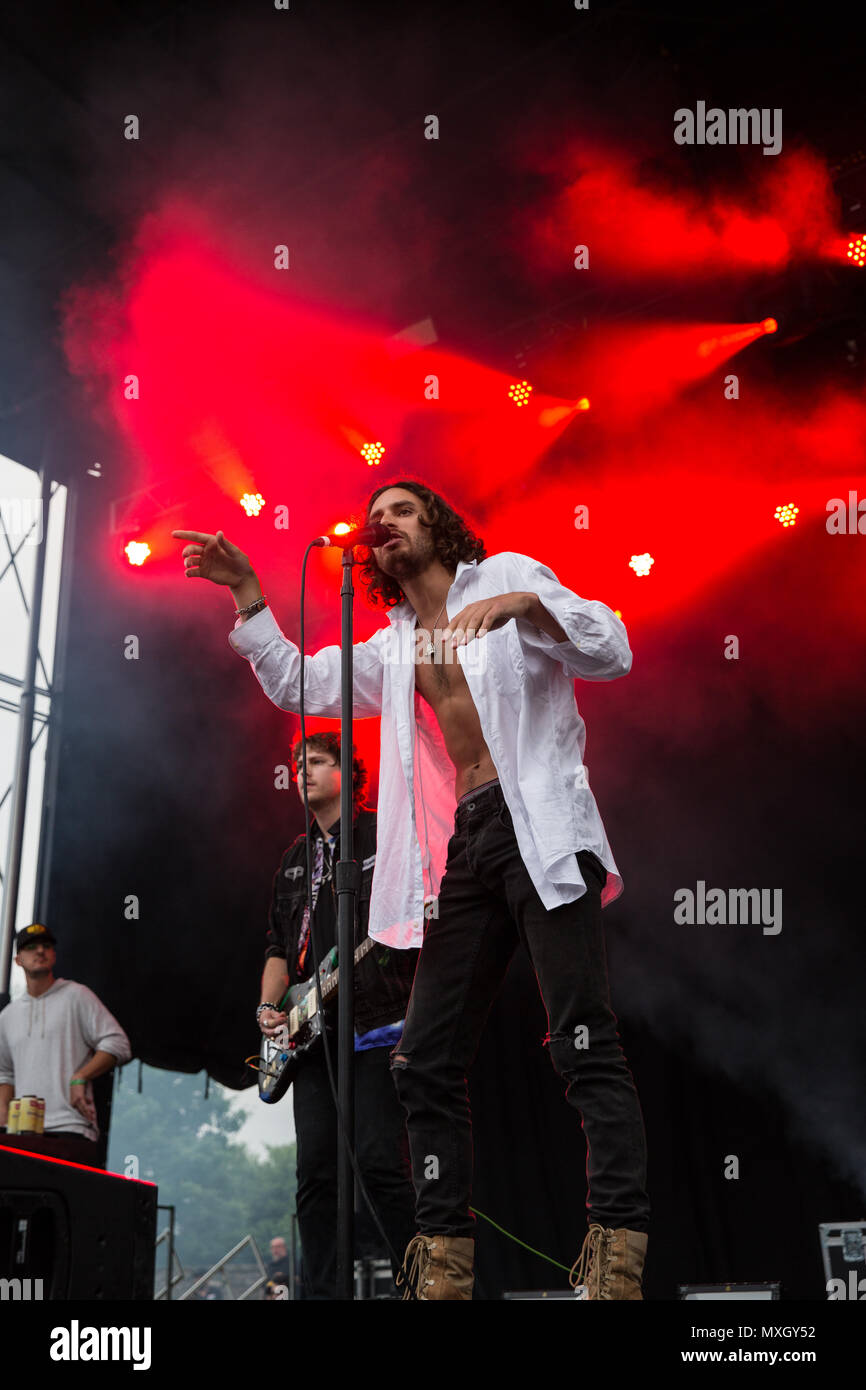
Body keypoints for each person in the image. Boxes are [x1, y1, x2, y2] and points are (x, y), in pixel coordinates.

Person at [173, 477, 649, 1301]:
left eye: (398, 509)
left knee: (581, 1040)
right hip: (467, 842)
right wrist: (248, 593)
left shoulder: (505, 576)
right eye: (373, 518)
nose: (381, 523)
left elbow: (612, 648)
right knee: (422, 1059)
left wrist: (527, 610)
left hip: (541, 824)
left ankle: (615, 1259)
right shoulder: (392, 642)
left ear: (437, 521)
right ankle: (443, 1267)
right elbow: (299, 684)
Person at [256, 731, 418, 1299]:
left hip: (376, 1024)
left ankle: (419, 1284)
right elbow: (279, 946)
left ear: (351, 775)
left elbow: (416, 912)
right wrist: (271, 1008)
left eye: (317, 762)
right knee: (315, 1178)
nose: (301, 771)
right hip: (313, 1041)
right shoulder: (294, 859)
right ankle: (321, 1294)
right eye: (298, 763)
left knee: (379, 1162)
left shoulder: (384, 832)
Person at [0, 923, 131, 1163]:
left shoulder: (76, 995)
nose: (40, 951)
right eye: (31, 947)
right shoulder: (8, 1016)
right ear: (18, 960)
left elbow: (118, 1042)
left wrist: (79, 1076)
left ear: (54, 955)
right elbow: (5, 1074)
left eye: (46, 946)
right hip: (22, 1133)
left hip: (71, 1129)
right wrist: (4, 1117)